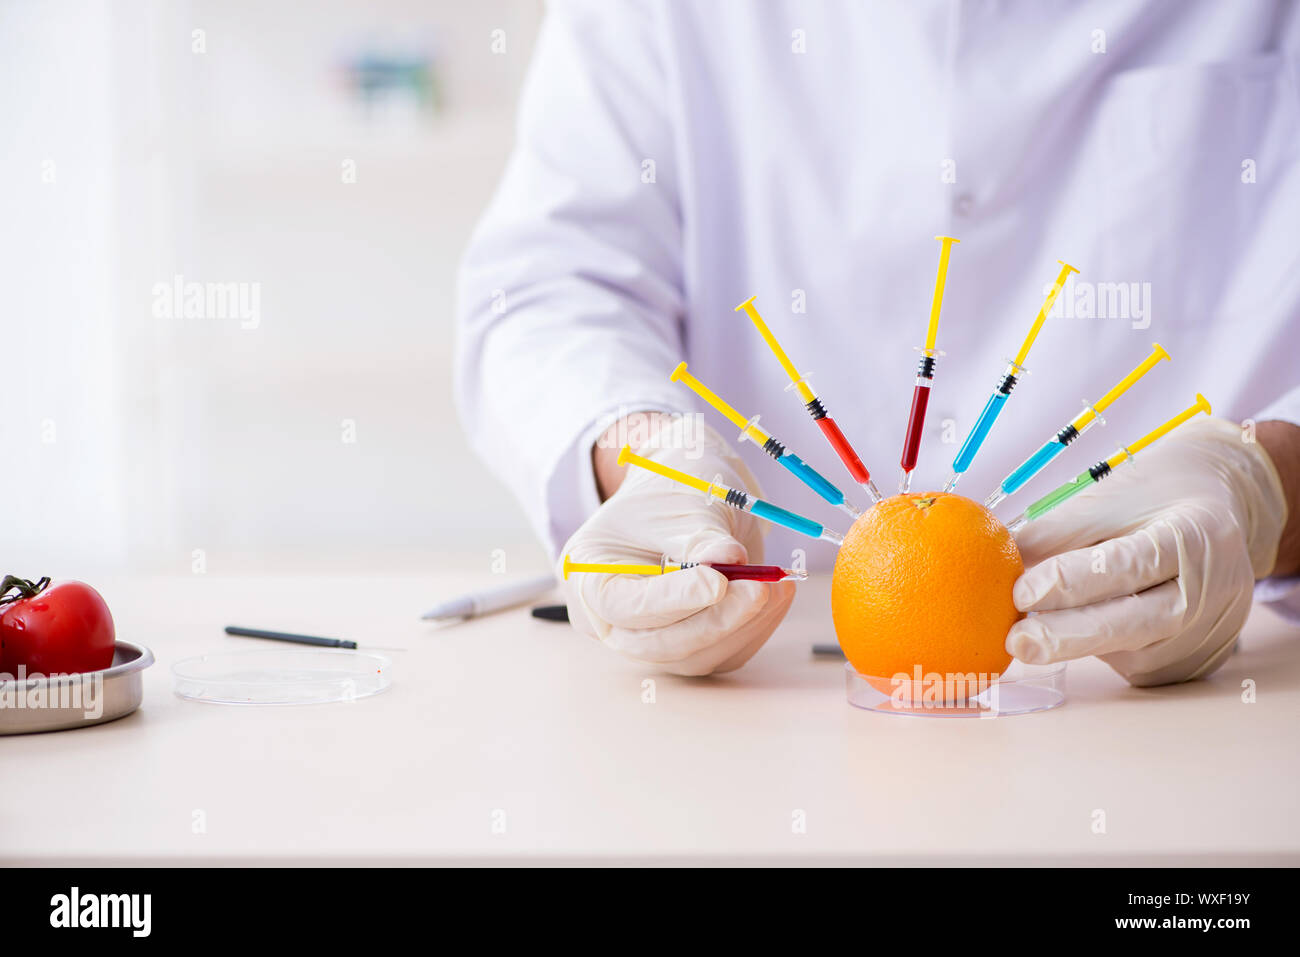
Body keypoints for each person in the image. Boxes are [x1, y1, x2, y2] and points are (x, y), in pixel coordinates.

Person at [456, 1, 1300, 681]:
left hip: (1218, 688)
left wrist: (1265, 488)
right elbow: (551, 286)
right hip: (767, 682)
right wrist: (650, 457)